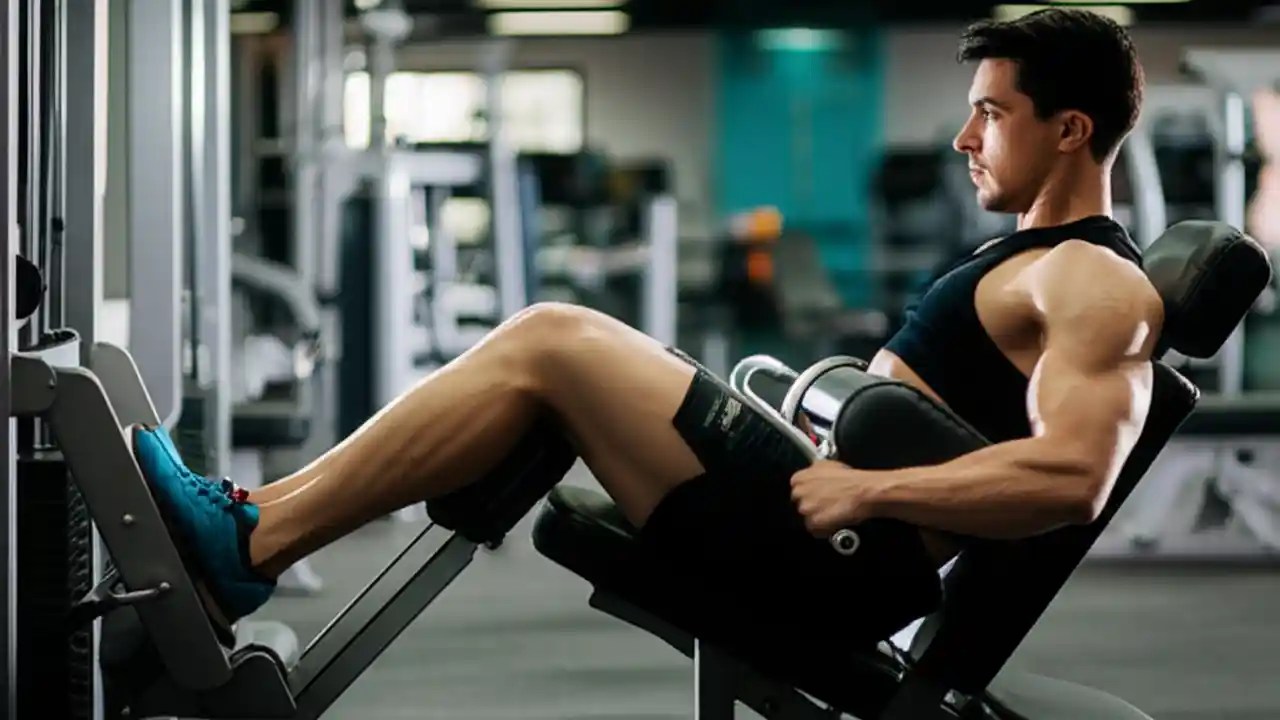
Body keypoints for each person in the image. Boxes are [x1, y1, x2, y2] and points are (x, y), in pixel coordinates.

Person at [133, 8, 1162, 655]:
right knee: (549, 354)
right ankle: (257, 521)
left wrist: (868, 487)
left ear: (1066, 128)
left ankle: (252, 540)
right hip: (822, 510)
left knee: (552, 338)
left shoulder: (1090, 281)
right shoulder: (1027, 261)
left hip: (838, 549)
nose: (960, 137)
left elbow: (1071, 478)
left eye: (988, 113)